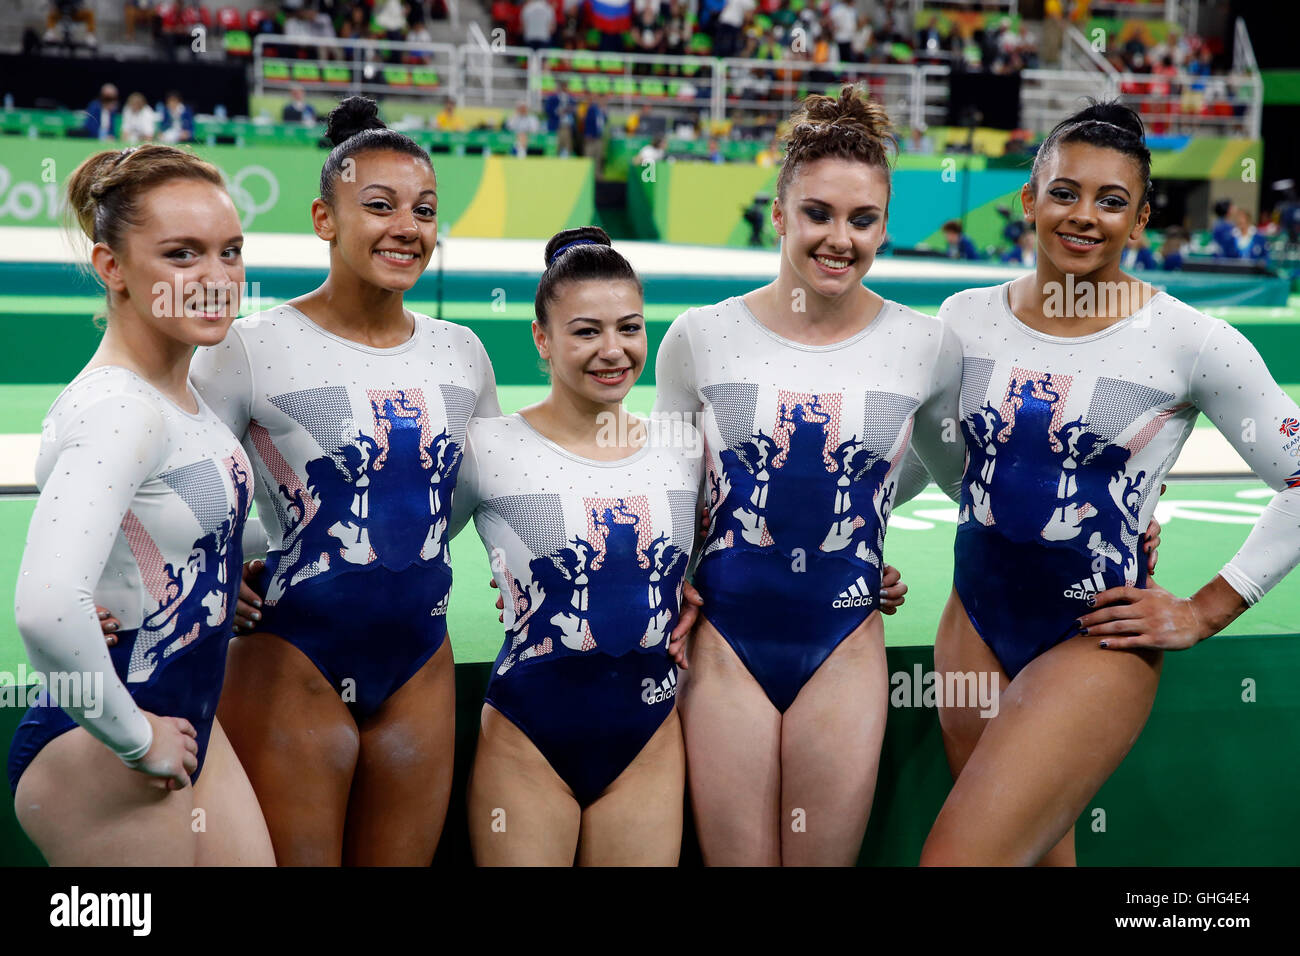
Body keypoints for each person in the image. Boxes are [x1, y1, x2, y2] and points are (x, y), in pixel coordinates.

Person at [920, 101, 1300, 865]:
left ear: (1142, 218)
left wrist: (1206, 609)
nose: (1083, 216)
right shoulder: (963, 319)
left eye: (1112, 201)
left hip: (1094, 635)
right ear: (1029, 200)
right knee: (1033, 856)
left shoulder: (1191, 341)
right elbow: (935, 459)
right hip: (973, 623)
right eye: (1064, 192)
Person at [189, 96, 501, 865]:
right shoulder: (248, 348)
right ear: (324, 219)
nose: (408, 226)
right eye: (379, 205)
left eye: (425, 209)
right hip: (293, 657)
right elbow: (182, 488)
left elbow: (478, 496)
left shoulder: (462, 353)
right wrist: (218, 574)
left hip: (421, 663)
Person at [653, 86, 953, 865]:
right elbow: (666, 491)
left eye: (863, 220)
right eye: (818, 213)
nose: (839, 239)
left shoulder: (924, 345)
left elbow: (964, 475)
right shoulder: (700, 337)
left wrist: (860, 517)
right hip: (725, 646)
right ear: (780, 214)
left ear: (886, 225)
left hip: (844, 649)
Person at [10, 144, 273, 865]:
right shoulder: (119, 410)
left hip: (185, 710)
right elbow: (45, 605)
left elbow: (165, 530)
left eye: (230, 252)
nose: (218, 279)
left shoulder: (177, 397)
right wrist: (133, 736)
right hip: (106, 739)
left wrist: (228, 570)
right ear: (111, 268)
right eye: (183, 255)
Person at [453, 227, 701, 865]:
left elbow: (740, 546)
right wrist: (260, 564)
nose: (613, 350)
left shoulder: (683, 446)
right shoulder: (487, 448)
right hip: (528, 741)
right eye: (586, 331)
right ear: (541, 337)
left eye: (630, 327)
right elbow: (406, 543)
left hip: (647, 739)